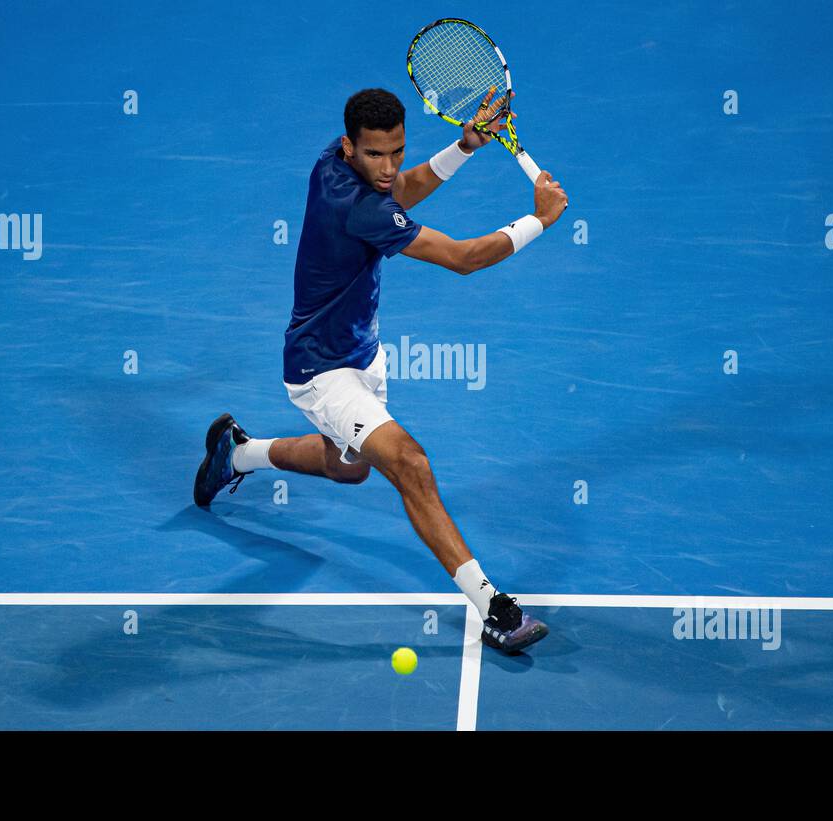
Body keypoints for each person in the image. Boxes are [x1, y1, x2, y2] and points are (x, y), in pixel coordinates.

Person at [195, 87, 568, 653]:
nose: (389, 166)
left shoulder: (338, 166)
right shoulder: (356, 205)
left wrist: (465, 146)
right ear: (351, 147)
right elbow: (464, 259)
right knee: (409, 464)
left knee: (349, 469)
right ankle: (495, 609)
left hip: (364, 355)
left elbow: (401, 193)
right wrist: (537, 221)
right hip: (321, 369)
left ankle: (236, 450)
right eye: (376, 155)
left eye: (397, 151)